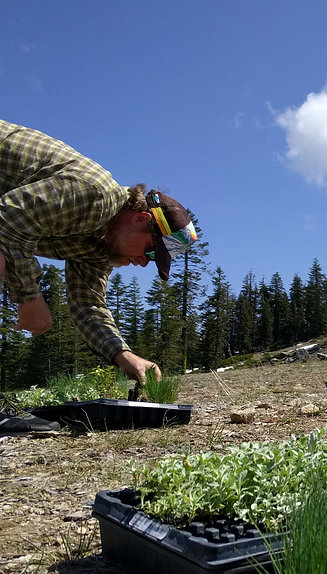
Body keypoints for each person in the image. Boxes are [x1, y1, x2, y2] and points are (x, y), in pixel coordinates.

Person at [1, 120, 198, 434]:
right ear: (141, 218)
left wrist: (124, 355)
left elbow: (87, 306)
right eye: (150, 251)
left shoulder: (99, 248)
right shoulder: (95, 195)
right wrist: (29, 298)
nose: (144, 263)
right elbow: (8, 219)